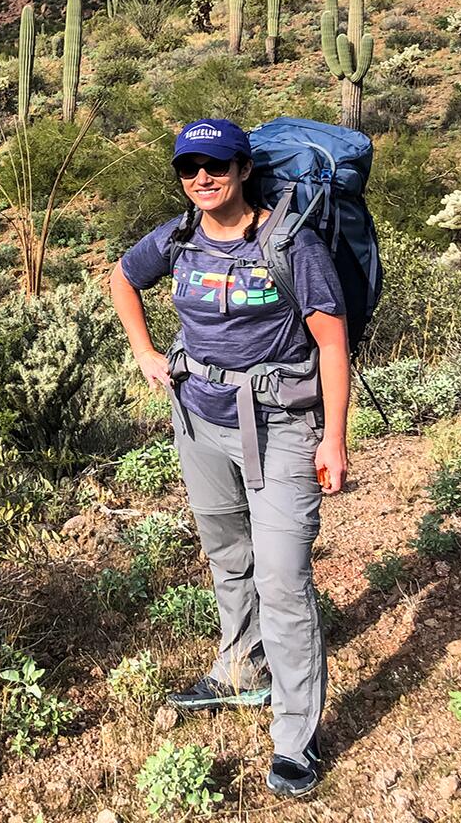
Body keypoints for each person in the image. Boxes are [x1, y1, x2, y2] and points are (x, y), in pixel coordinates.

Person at [108, 116, 351, 799]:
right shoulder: (178, 237)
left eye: (215, 165)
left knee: (283, 581)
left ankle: (295, 738)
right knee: (228, 557)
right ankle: (242, 668)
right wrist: (145, 352)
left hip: (281, 428)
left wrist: (333, 438)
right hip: (199, 422)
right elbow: (122, 279)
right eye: (189, 168)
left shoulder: (288, 243)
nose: (202, 178)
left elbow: (331, 344)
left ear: (244, 169)